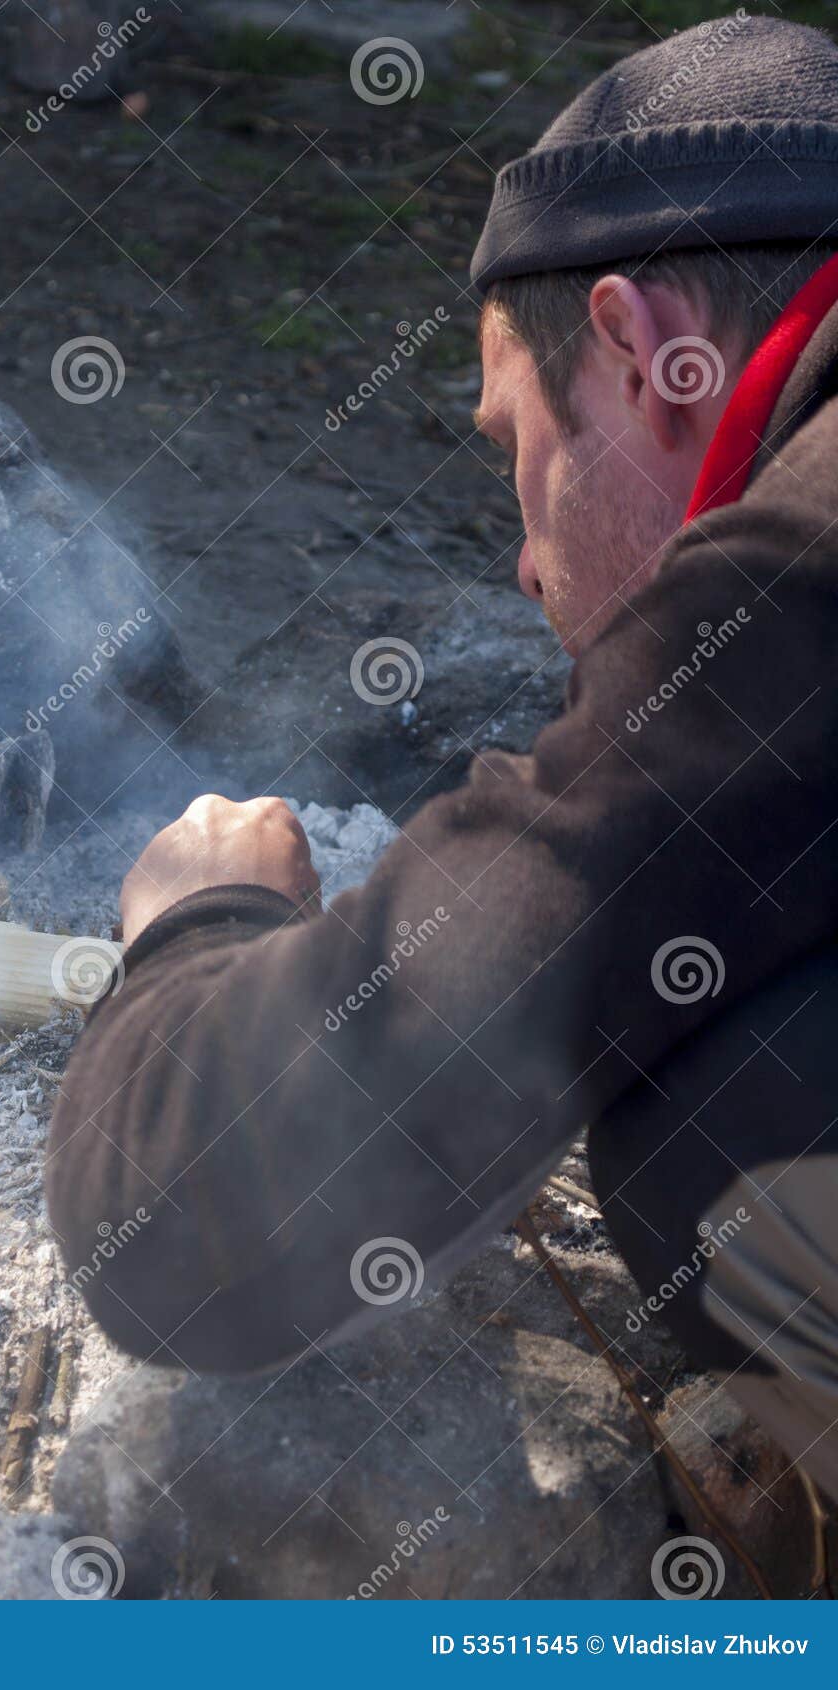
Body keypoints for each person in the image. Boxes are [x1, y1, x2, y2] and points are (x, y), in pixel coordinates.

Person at [49, 14, 838, 1499]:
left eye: (513, 446)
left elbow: (172, 1225)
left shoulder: (800, 570)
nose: (527, 564)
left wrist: (199, 931)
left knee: (719, 1104)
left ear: (639, 353)